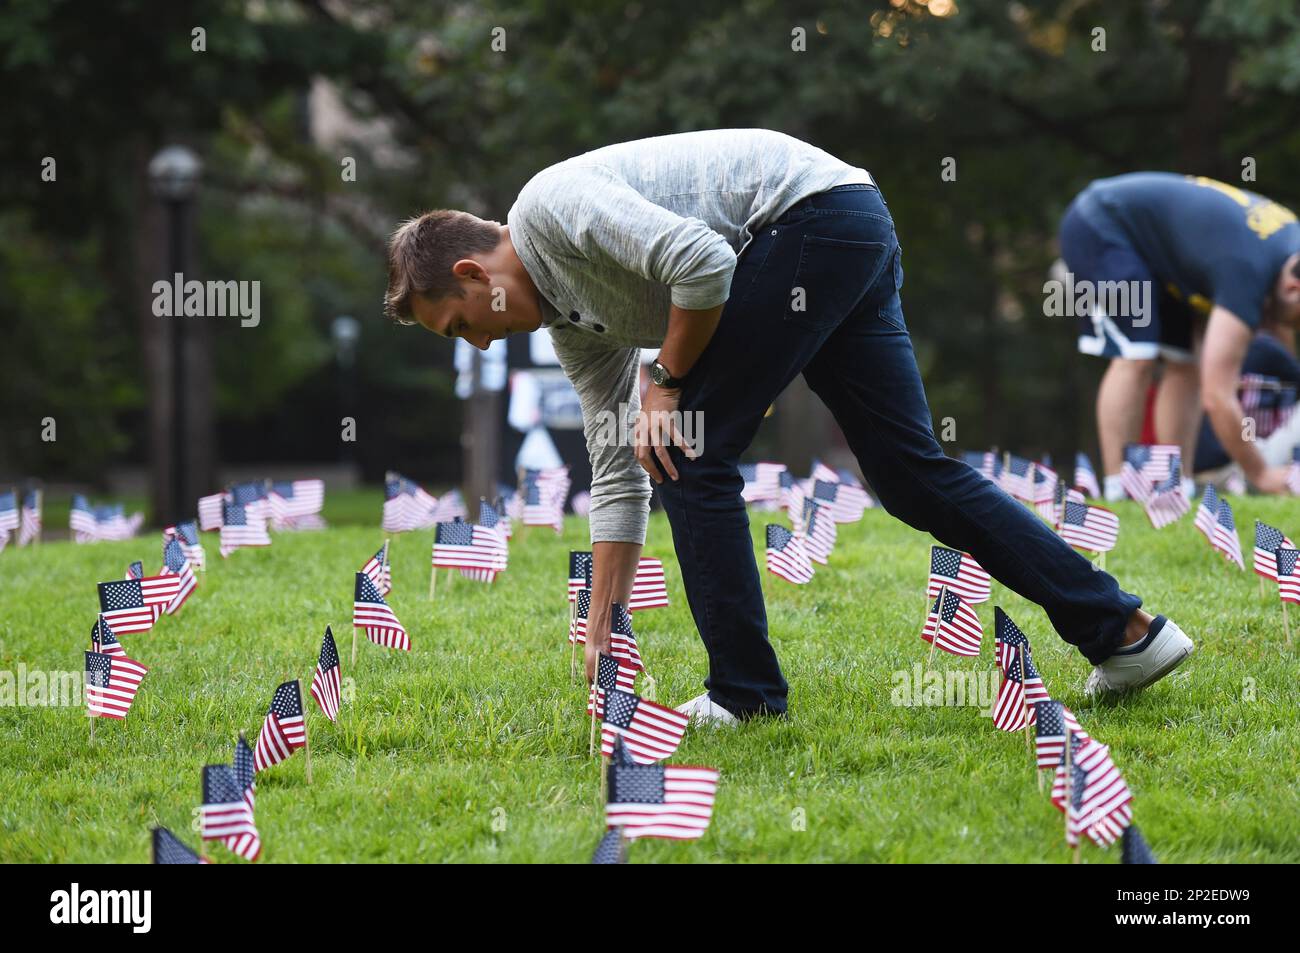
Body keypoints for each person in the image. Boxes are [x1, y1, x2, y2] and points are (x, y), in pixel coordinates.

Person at [383, 129, 1191, 723]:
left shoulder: (553, 209)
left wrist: (663, 377)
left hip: (816, 218)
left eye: (460, 325)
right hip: (845, 225)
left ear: (470, 273)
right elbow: (616, 466)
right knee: (909, 472)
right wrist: (602, 624)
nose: (479, 343)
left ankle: (745, 694)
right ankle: (1124, 631)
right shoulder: (571, 322)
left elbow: (703, 263)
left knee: (689, 449)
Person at [1059, 173, 1300, 500]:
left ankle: (1177, 485)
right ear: (1292, 288)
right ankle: (1120, 489)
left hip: (1164, 256)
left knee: (1186, 361)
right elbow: (1218, 397)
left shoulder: (1287, 250)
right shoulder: (1248, 272)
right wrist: (1262, 474)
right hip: (1103, 224)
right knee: (1137, 354)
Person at [1193, 318, 1300, 481]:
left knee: (1247, 415)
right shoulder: (1262, 346)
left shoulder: (1202, 351)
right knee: (1248, 417)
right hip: (1241, 459)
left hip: (1197, 463)